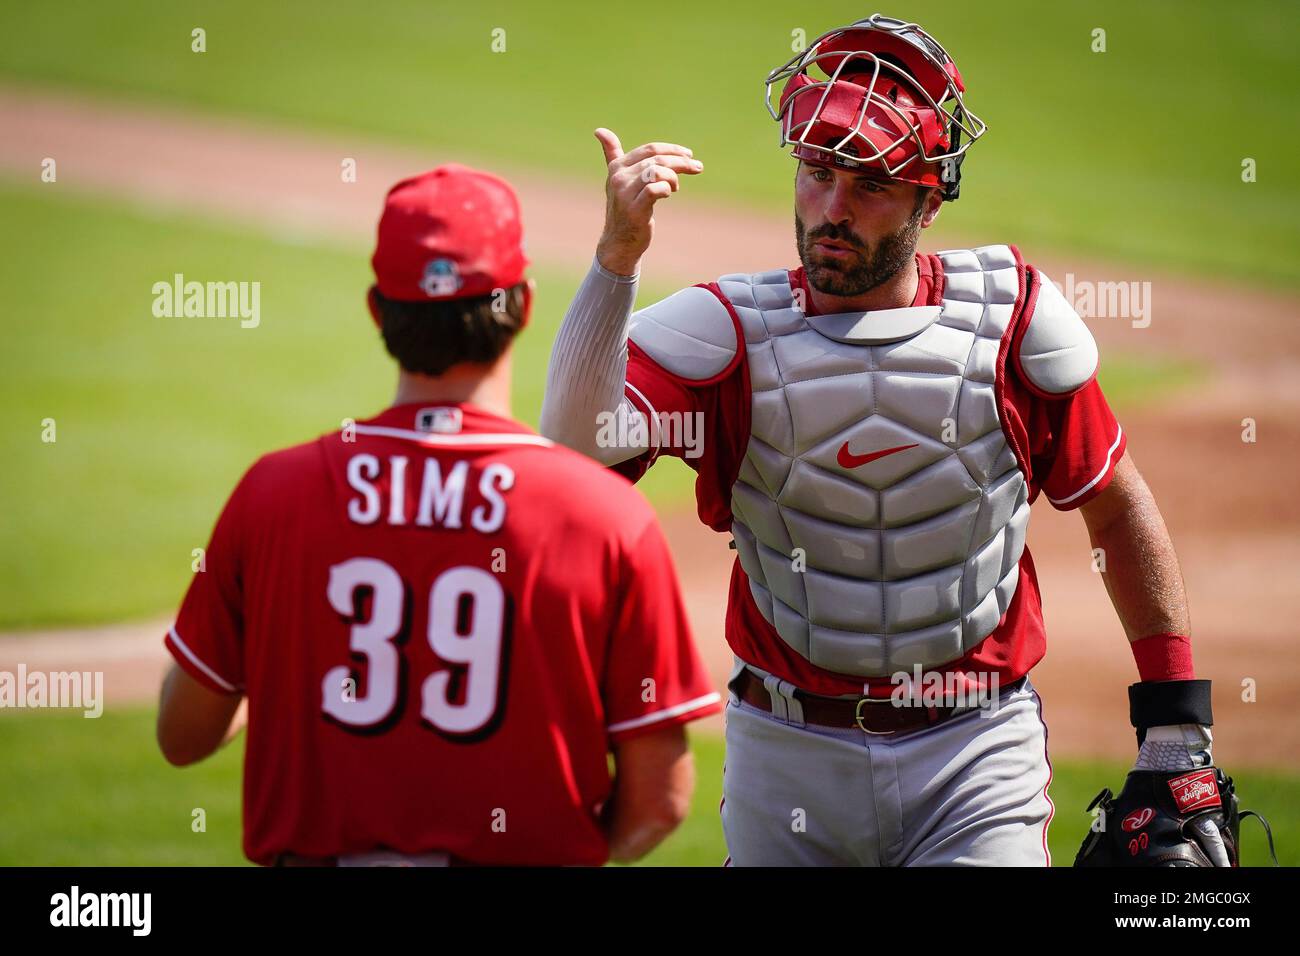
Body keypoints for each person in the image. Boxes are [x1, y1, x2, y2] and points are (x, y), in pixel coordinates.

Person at [540, 14, 1233, 866]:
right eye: (816, 172)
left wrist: (1174, 727)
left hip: (975, 753)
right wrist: (617, 257)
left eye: (869, 185)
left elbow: (1117, 511)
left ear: (930, 196)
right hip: (786, 756)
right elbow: (574, 451)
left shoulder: (1012, 324)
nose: (832, 211)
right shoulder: (726, 339)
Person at [156, 163, 721, 866]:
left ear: (376, 310)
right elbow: (661, 800)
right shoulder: (603, 519)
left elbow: (183, 738)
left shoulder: (272, 494)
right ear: (523, 304)